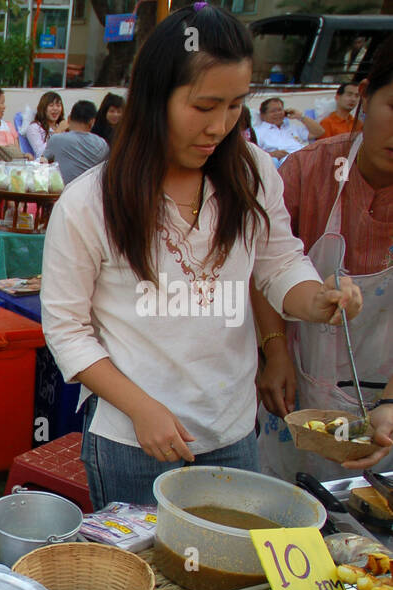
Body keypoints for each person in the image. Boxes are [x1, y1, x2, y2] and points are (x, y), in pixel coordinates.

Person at [40, 3, 361, 509]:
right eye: (204, 106)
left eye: (235, 106)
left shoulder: (252, 170)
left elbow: (279, 264)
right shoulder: (90, 202)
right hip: (135, 439)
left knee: (231, 580)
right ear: (154, 96)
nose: (220, 126)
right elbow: (66, 329)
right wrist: (141, 408)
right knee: (155, 586)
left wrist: (315, 299)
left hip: (233, 431)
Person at [255, 36, 393, 481]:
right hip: (296, 390)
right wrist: (273, 353)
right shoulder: (308, 170)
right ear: (367, 96)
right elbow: (261, 266)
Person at [42, 100, 109, 185]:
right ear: (92, 122)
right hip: (91, 193)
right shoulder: (102, 143)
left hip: (62, 194)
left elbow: (42, 161)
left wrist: (58, 131)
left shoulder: (57, 139)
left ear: (69, 118)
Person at [255, 97, 323, 159]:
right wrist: (270, 154)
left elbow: (319, 132)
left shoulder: (292, 128)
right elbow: (252, 154)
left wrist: (300, 117)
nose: (278, 113)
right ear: (263, 116)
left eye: (280, 110)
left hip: (304, 157)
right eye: (273, 111)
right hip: (282, 162)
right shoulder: (257, 132)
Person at [22, 91, 67, 159]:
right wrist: (58, 131)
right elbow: (41, 153)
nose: (55, 108)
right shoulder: (34, 127)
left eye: (58, 105)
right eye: (51, 105)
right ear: (43, 108)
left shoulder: (63, 126)